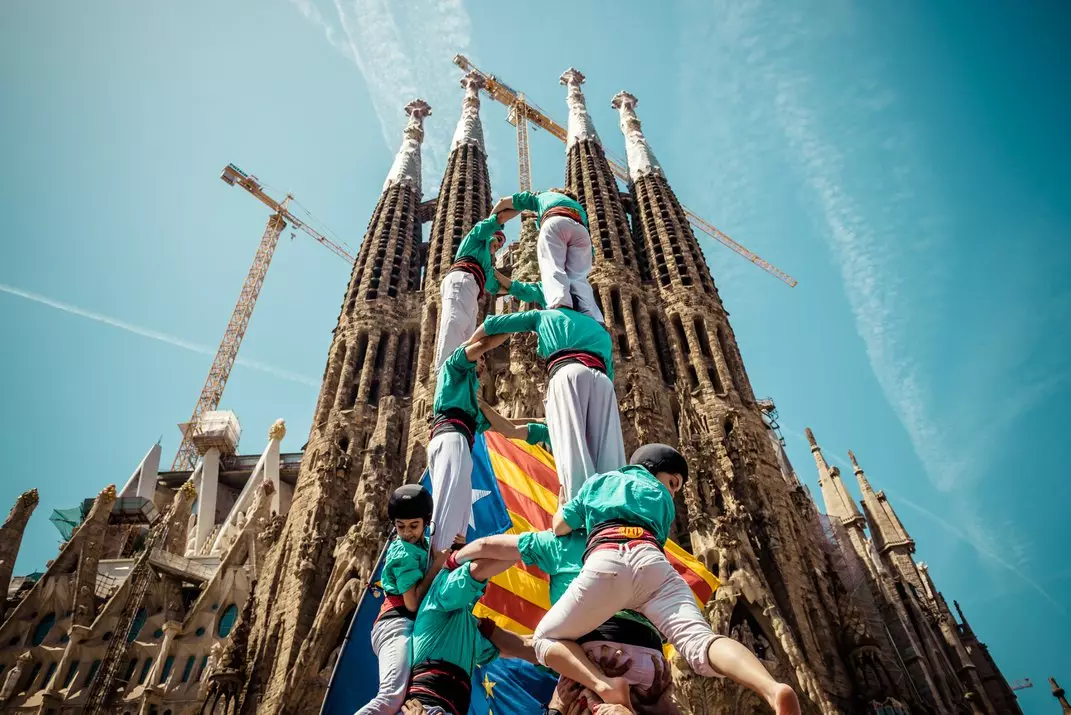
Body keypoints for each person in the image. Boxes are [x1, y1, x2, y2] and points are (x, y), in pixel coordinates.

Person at [531, 444, 802, 715]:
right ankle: (771, 688)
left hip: (608, 557)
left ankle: (604, 685)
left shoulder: (599, 483)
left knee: (543, 639)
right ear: (652, 470)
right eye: (673, 482)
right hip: (653, 562)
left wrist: (564, 509)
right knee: (700, 641)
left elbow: (559, 527)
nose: (673, 492)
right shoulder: (661, 499)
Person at [467, 294, 624, 501]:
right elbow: (609, 377)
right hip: (602, 384)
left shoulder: (545, 315)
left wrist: (467, 347)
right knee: (612, 461)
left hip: (567, 374)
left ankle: (579, 508)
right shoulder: (600, 332)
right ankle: (616, 509)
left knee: (574, 463)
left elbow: (493, 323)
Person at [357, 485, 454, 715]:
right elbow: (411, 603)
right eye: (401, 526)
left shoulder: (424, 544)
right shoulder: (402, 553)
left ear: (425, 522)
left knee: (410, 698)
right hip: (396, 625)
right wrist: (438, 564)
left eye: (414, 525)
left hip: (414, 626)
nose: (407, 532)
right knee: (391, 696)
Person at [406, 553, 538, 714]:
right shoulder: (440, 596)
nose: (481, 587)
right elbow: (477, 571)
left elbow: (527, 648)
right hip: (425, 708)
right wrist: (525, 549)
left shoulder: (471, 629)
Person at [427, 335, 509, 551]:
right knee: (449, 509)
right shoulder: (454, 366)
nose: (483, 363)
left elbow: (505, 426)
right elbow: (483, 343)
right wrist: (512, 326)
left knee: (459, 517)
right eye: (481, 359)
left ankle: (450, 559)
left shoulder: (469, 400)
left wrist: (543, 422)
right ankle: (438, 567)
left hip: (459, 439)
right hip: (451, 437)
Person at [491, 188, 604, 324]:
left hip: (554, 221)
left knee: (552, 267)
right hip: (581, 231)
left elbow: (504, 202)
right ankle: (593, 318)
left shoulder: (542, 196)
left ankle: (561, 305)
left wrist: (490, 225)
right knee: (579, 278)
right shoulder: (578, 207)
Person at [434, 210, 519, 371]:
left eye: (502, 244)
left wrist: (519, 290)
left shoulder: (486, 264)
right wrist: (515, 207)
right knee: (454, 321)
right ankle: (444, 370)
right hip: (461, 278)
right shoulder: (476, 239)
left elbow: (494, 287)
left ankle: (462, 371)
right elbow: (492, 222)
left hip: (473, 288)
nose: (500, 245)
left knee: (469, 336)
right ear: (491, 235)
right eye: (499, 239)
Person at [477, 397, 549, 449]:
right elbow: (509, 427)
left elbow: (510, 430)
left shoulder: (545, 432)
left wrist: (483, 406)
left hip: (545, 431)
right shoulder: (547, 431)